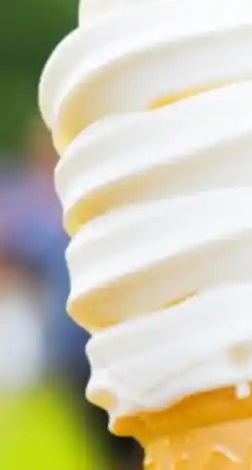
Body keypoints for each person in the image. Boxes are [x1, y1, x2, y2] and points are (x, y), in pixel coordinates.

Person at [0, 121, 141, 469]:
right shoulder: (34, 207)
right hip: (73, 348)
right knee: (107, 441)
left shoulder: (103, 202)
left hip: (115, 342)